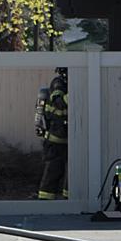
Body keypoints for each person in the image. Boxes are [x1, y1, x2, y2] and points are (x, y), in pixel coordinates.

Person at [37, 67, 69, 200]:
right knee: (53, 171)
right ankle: (45, 201)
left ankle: (69, 200)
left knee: (71, 174)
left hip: (69, 140)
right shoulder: (58, 83)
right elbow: (58, 103)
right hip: (55, 140)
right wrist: (76, 93)